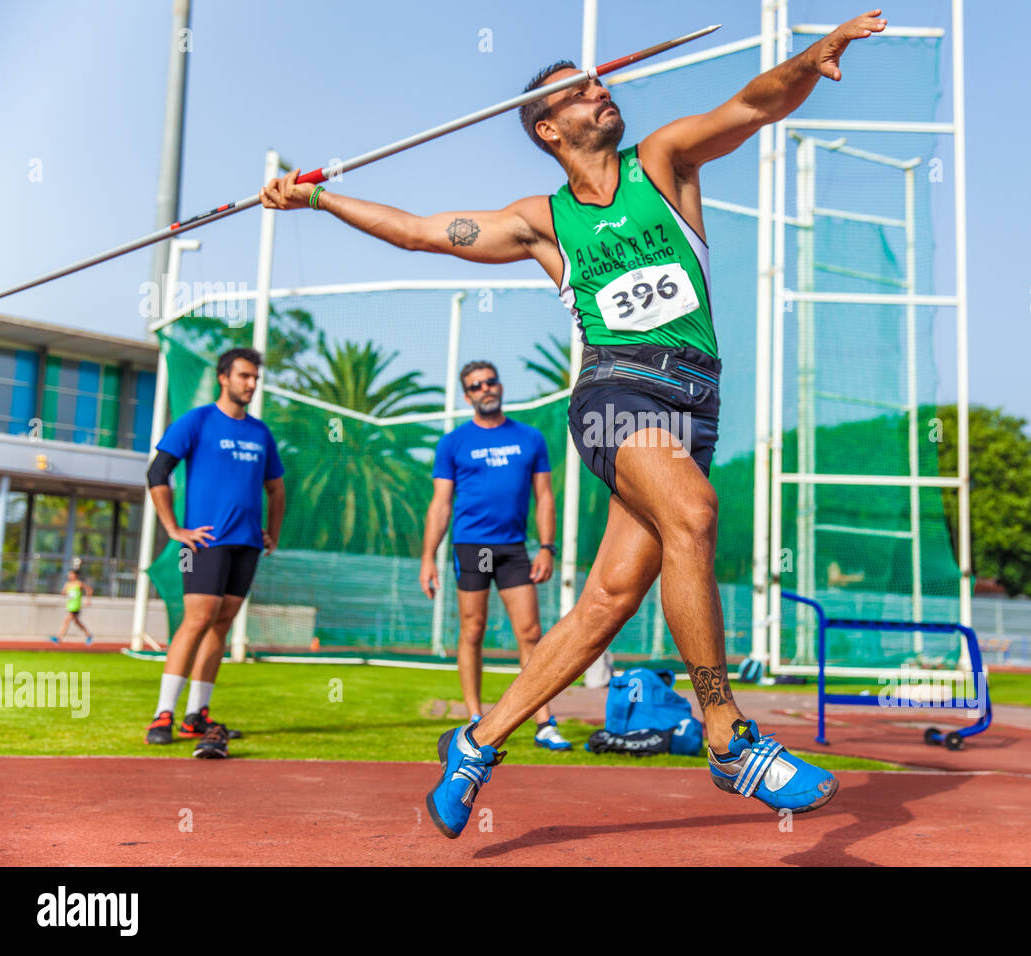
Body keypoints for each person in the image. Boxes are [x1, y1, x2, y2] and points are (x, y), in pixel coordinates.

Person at [260, 10, 887, 837]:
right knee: (695, 513)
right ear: (549, 127)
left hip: (695, 401)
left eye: (602, 81)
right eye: (582, 90)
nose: (603, 90)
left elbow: (754, 103)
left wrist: (810, 60)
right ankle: (727, 733)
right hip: (613, 394)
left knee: (607, 602)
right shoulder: (542, 222)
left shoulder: (662, 162)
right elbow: (420, 233)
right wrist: (320, 198)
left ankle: (476, 740)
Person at [142, 348, 286, 758]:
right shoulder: (198, 420)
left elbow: (276, 489)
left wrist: (271, 533)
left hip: (247, 544)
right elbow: (157, 472)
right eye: (244, 376)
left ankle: (196, 716)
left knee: (221, 624)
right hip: (204, 541)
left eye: (255, 377)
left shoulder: (260, 433)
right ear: (224, 377)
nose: (251, 384)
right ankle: (163, 714)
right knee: (198, 618)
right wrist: (173, 529)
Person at [420, 359, 569, 750]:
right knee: (472, 630)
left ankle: (544, 721)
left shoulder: (530, 438)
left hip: (514, 548)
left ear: (500, 386)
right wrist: (427, 558)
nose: (484, 389)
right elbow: (439, 505)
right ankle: (474, 716)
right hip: (472, 546)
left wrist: (548, 548)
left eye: (490, 381)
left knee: (531, 634)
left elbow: (545, 497)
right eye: (475, 386)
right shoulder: (453, 442)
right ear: (466, 395)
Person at [50, 567, 94, 645]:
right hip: (70, 605)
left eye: (71, 574)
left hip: (76, 605)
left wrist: (88, 600)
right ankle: (88, 635)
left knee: (67, 620)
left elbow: (89, 589)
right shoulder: (67, 584)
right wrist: (64, 593)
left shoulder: (79, 583)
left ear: (75, 575)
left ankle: (59, 638)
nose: (69, 576)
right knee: (77, 622)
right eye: (69, 574)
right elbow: (64, 592)